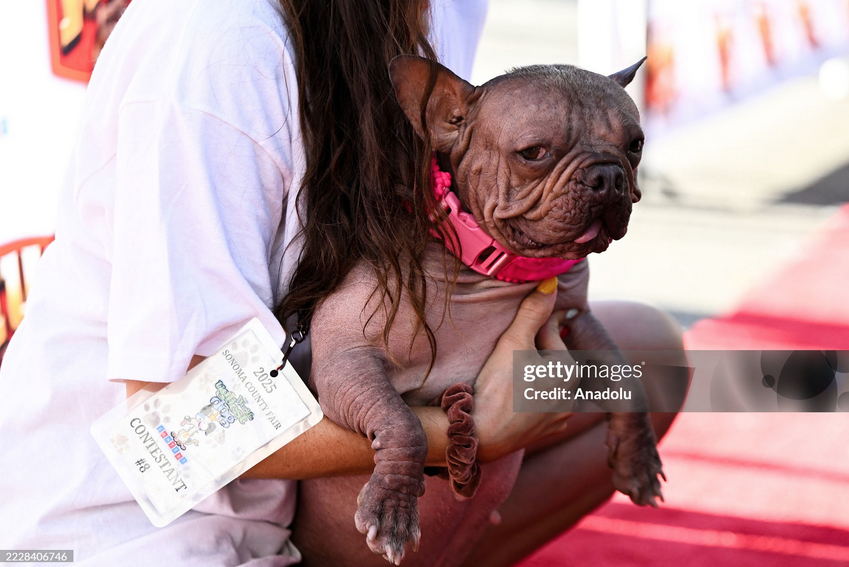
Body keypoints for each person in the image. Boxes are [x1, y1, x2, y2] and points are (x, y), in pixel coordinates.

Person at [0, 0, 685, 565]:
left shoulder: (440, 11)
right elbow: (173, 434)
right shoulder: (216, 44)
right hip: (129, 526)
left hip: (287, 481)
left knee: (649, 357)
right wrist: (468, 433)